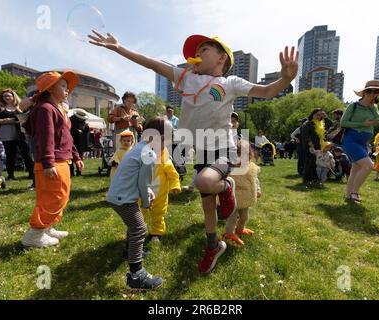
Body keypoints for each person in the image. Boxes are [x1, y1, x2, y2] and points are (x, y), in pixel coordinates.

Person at [89, 30, 298, 274]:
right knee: (208, 207)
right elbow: (152, 63)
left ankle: (227, 186)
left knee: (204, 181)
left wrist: (285, 78)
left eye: (203, 51)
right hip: (203, 152)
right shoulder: (187, 77)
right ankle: (213, 245)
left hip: (223, 149)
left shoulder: (230, 83)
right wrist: (119, 47)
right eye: (196, 52)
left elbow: (267, 92)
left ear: (221, 58)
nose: (196, 55)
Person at [106, 117, 173, 290]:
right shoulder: (148, 153)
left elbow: (140, 179)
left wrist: (146, 192)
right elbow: (144, 184)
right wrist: (145, 202)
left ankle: (129, 251)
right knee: (139, 229)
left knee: (133, 224)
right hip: (124, 199)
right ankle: (136, 276)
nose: (168, 142)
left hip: (118, 196)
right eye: (167, 137)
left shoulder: (139, 149)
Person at [21, 71, 84, 248]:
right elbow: (45, 138)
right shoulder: (45, 109)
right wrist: (48, 162)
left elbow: (66, 138)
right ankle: (35, 234)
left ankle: (47, 227)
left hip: (62, 160)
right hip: (51, 162)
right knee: (53, 197)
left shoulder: (58, 109)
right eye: (63, 86)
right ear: (49, 89)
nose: (68, 90)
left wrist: (76, 156)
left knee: (60, 196)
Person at [341, 80, 379, 204]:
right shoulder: (354, 106)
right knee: (368, 166)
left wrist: (372, 108)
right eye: (370, 91)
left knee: (355, 169)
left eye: (376, 91)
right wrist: (362, 124)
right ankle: (355, 193)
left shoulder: (373, 107)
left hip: (363, 143)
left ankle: (348, 195)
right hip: (351, 140)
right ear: (364, 92)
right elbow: (343, 122)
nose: (372, 94)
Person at [0, 89, 34, 184]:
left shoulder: (20, 106)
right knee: (10, 154)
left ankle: (32, 173)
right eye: (5, 96)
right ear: (2, 98)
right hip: (6, 133)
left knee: (26, 153)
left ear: (13, 96)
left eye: (9, 96)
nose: (7, 97)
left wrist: (16, 119)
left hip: (21, 133)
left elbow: (26, 116)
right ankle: (11, 175)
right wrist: (7, 120)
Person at [222, 140, 261, 246]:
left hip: (245, 198)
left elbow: (255, 179)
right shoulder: (229, 169)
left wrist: (258, 190)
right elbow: (223, 182)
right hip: (232, 199)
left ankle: (240, 229)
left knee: (244, 217)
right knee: (232, 218)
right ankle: (229, 233)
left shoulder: (251, 167)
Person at [142, 145, 181, 242]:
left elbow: (173, 174)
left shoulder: (165, 160)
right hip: (143, 190)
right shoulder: (142, 156)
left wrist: (175, 185)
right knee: (140, 211)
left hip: (159, 192)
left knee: (158, 213)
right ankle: (139, 230)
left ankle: (156, 233)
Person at [301, 108, 327, 187]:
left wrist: (325, 117)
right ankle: (307, 179)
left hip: (319, 145)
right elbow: (305, 135)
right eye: (317, 114)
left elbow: (330, 125)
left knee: (318, 162)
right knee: (310, 162)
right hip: (310, 145)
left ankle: (316, 178)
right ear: (313, 114)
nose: (319, 116)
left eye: (320, 115)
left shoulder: (321, 123)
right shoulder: (308, 123)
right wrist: (310, 144)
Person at [69, 109, 90, 176]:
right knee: (71, 157)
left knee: (80, 157)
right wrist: (76, 131)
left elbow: (87, 132)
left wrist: (83, 132)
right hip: (71, 141)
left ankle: (79, 171)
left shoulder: (84, 123)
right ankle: (71, 172)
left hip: (80, 143)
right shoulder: (70, 120)